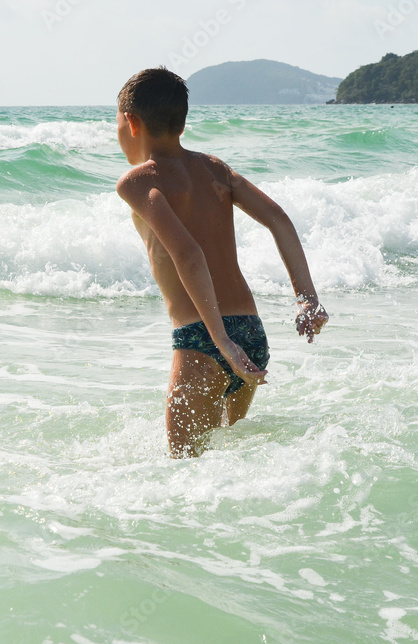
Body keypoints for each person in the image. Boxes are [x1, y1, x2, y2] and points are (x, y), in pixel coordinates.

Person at [114, 67, 328, 458]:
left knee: (186, 472)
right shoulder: (215, 168)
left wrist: (220, 342)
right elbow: (278, 219)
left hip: (205, 339)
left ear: (131, 122)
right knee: (228, 460)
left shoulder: (138, 181)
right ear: (182, 121)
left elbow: (189, 254)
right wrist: (306, 298)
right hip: (251, 332)